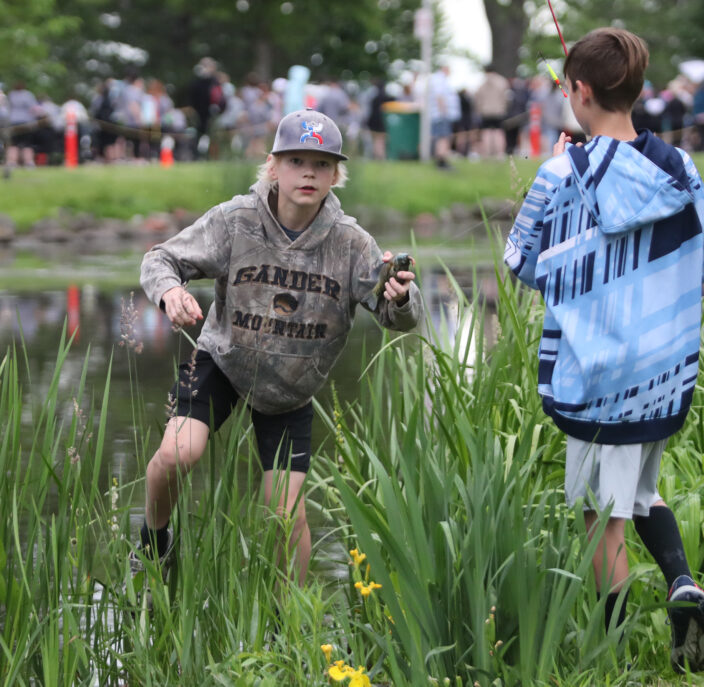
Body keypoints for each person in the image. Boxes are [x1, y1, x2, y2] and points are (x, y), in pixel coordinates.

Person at [504, 28, 704, 673]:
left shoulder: (560, 174)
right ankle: (681, 584)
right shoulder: (679, 168)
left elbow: (521, 262)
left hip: (596, 374)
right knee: (637, 492)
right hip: (662, 371)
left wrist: (563, 179)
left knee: (603, 520)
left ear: (580, 91)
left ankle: (614, 660)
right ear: (637, 89)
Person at [132, 109, 422, 593]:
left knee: (285, 513)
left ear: (335, 175)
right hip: (223, 360)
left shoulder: (351, 243)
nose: (308, 173)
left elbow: (399, 318)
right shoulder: (236, 220)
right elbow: (159, 258)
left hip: (291, 388)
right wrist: (170, 292)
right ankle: (154, 540)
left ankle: (293, 620)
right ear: (273, 166)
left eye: (321, 164)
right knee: (179, 453)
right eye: (296, 161)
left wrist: (401, 296)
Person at [473, 65, 509, 158]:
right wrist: (504, 108)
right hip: (499, 111)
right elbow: (506, 97)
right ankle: (500, 154)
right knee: (498, 132)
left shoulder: (482, 83)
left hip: (485, 111)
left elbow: (477, 98)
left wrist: (479, 109)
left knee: (486, 133)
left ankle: (487, 154)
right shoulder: (502, 82)